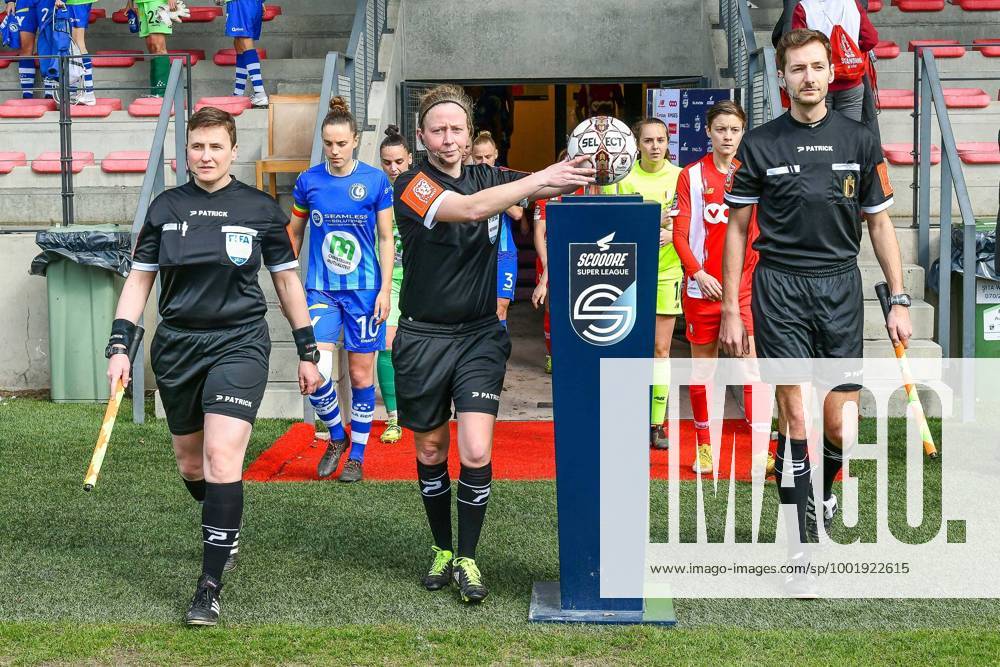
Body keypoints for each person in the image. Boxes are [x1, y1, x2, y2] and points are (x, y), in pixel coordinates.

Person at [106, 107, 323, 626]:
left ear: (232, 150)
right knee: (192, 464)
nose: (206, 156)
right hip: (177, 346)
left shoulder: (261, 209)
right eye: (197, 147)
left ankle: (209, 586)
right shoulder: (164, 207)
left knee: (223, 457)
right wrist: (120, 347)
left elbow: (287, 282)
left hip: (239, 343)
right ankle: (223, 519)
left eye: (216, 147)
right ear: (187, 151)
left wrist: (308, 350)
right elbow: (139, 282)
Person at [392, 84, 593, 603]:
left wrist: (579, 170)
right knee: (432, 447)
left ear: (468, 130)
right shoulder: (411, 183)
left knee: (476, 448)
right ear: (421, 135)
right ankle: (441, 547)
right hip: (423, 335)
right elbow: (471, 209)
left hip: (481, 334)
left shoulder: (488, 173)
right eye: (438, 129)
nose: (449, 138)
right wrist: (538, 178)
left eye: (457, 128)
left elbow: (532, 191)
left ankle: (468, 557)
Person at [720, 30, 911, 562]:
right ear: (782, 78)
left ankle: (820, 493)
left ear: (831, 73)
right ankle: (802, 547)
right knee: (797, 418)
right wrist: (733, 310)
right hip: (779, 287)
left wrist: (899, 298)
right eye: (797, 68)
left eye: (816, 67)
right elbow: (737, 229)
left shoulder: (859, 139)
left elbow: (879, 223)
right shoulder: (760, 143)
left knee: (840, 426)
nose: (807, 77)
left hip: (840, 287)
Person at [289, 97, 395, 484]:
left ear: (355, 141)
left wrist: (385, 290)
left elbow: (386, 239)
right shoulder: (308, 181)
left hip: (365, 291)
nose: (334, 151)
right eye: (328, 143)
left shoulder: (374, 181)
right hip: (321, 290)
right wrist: (285, 279)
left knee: (362, 376)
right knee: (314, 372)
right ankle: (337, 434)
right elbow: (294, 233)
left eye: (341, 143)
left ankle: (358, 457)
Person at [669, 100, 775, 477]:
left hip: (744, 292)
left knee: (752, 372)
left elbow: (761, 233)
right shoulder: (691, 176)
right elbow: (679, 235)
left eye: (734, 130)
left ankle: (762, 453)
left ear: (742, 132)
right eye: (721, 129)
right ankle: (705, 448)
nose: (727, 136)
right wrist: (697, 273)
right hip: (702, 291)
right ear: (708, 132)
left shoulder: (753, 174)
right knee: (703, 373)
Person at [602, 117, 682, 450]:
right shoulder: (621, 178)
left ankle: (655, 424)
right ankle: (623, 418)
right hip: (627, 273)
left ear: (668, 142)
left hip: (667, 272)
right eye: (648, 140)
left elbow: (690, 227)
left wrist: (673, 233)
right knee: (626, 350)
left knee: (660, 350)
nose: (655, 146)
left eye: (661, 140)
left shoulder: (681, 177)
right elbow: (608, 228)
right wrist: (649, 225)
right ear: (637, 144)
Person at [376, 124, 412, 444]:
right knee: (387, 343)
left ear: (410, 159)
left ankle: (423, 408)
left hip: (422, 277)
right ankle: (393, 418)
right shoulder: (375, 190)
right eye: (387, 162)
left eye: (399, 161)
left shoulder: (422, 188)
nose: (393, 168)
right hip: (389, 278)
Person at [471, 130, 525, 328]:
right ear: (471, 157)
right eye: (478, 158)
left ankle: (498, 357)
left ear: (495, 154)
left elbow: (518, 213)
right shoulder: (466, 179)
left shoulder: (505, 178)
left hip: (504, 253)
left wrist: (492, 192)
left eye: (487, 156)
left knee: (500, 307)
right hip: (476, 254)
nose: (483, 162)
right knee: (476, 309)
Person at [4, 0, 62, 99]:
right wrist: (10, 1)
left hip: (48, 2)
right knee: (25, 47)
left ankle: (50, 93)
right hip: (25, 2)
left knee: (48, 43)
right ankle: (27, 94)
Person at [215, 0, 268, 107]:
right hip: (251, 3)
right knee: (238, 42)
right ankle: (238, 94)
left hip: (241, 4)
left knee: (245, 40)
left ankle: (260, 93)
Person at [124, 0, 181, 97]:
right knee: (151, 45)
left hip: (157, 3)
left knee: (158, 46)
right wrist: (130, 2)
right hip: (141, 3)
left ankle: (163, 93)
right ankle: (155, 92)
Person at [65, 0, 95, 104]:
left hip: (78, 2)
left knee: (79, 43)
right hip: (71, 2)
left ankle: (89, 92)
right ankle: (74, 91)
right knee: (73, 45)